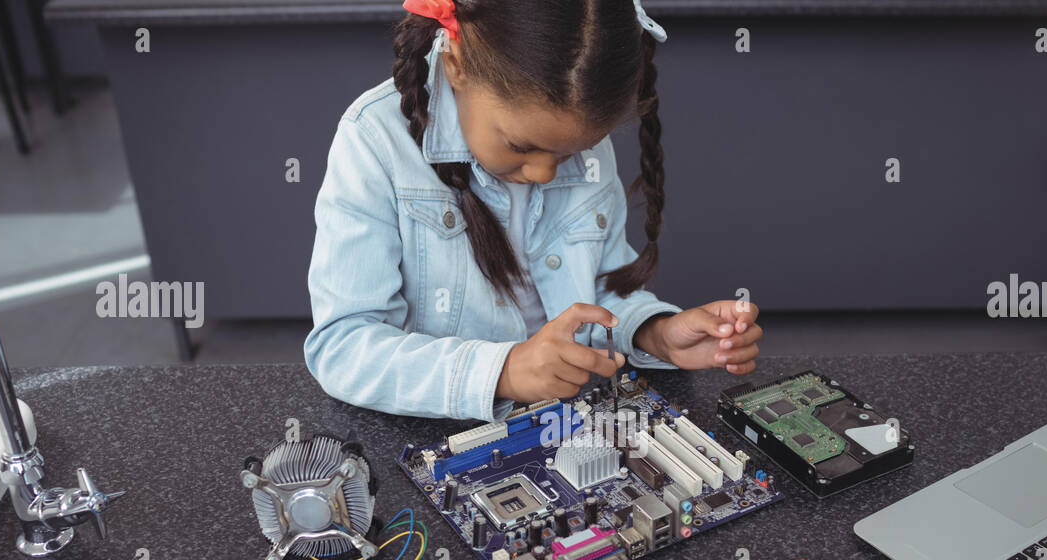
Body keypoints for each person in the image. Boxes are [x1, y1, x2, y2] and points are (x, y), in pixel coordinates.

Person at [306, 0, 762, 421]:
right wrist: (503, 371)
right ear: (456, 63)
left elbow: (600, 288)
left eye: (567, 154)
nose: (544, 172)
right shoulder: (374, 141)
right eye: (520, 146)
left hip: (567, 425)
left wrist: (655, 331)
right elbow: (343, 348)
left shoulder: (578, 136)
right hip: (436, 433)